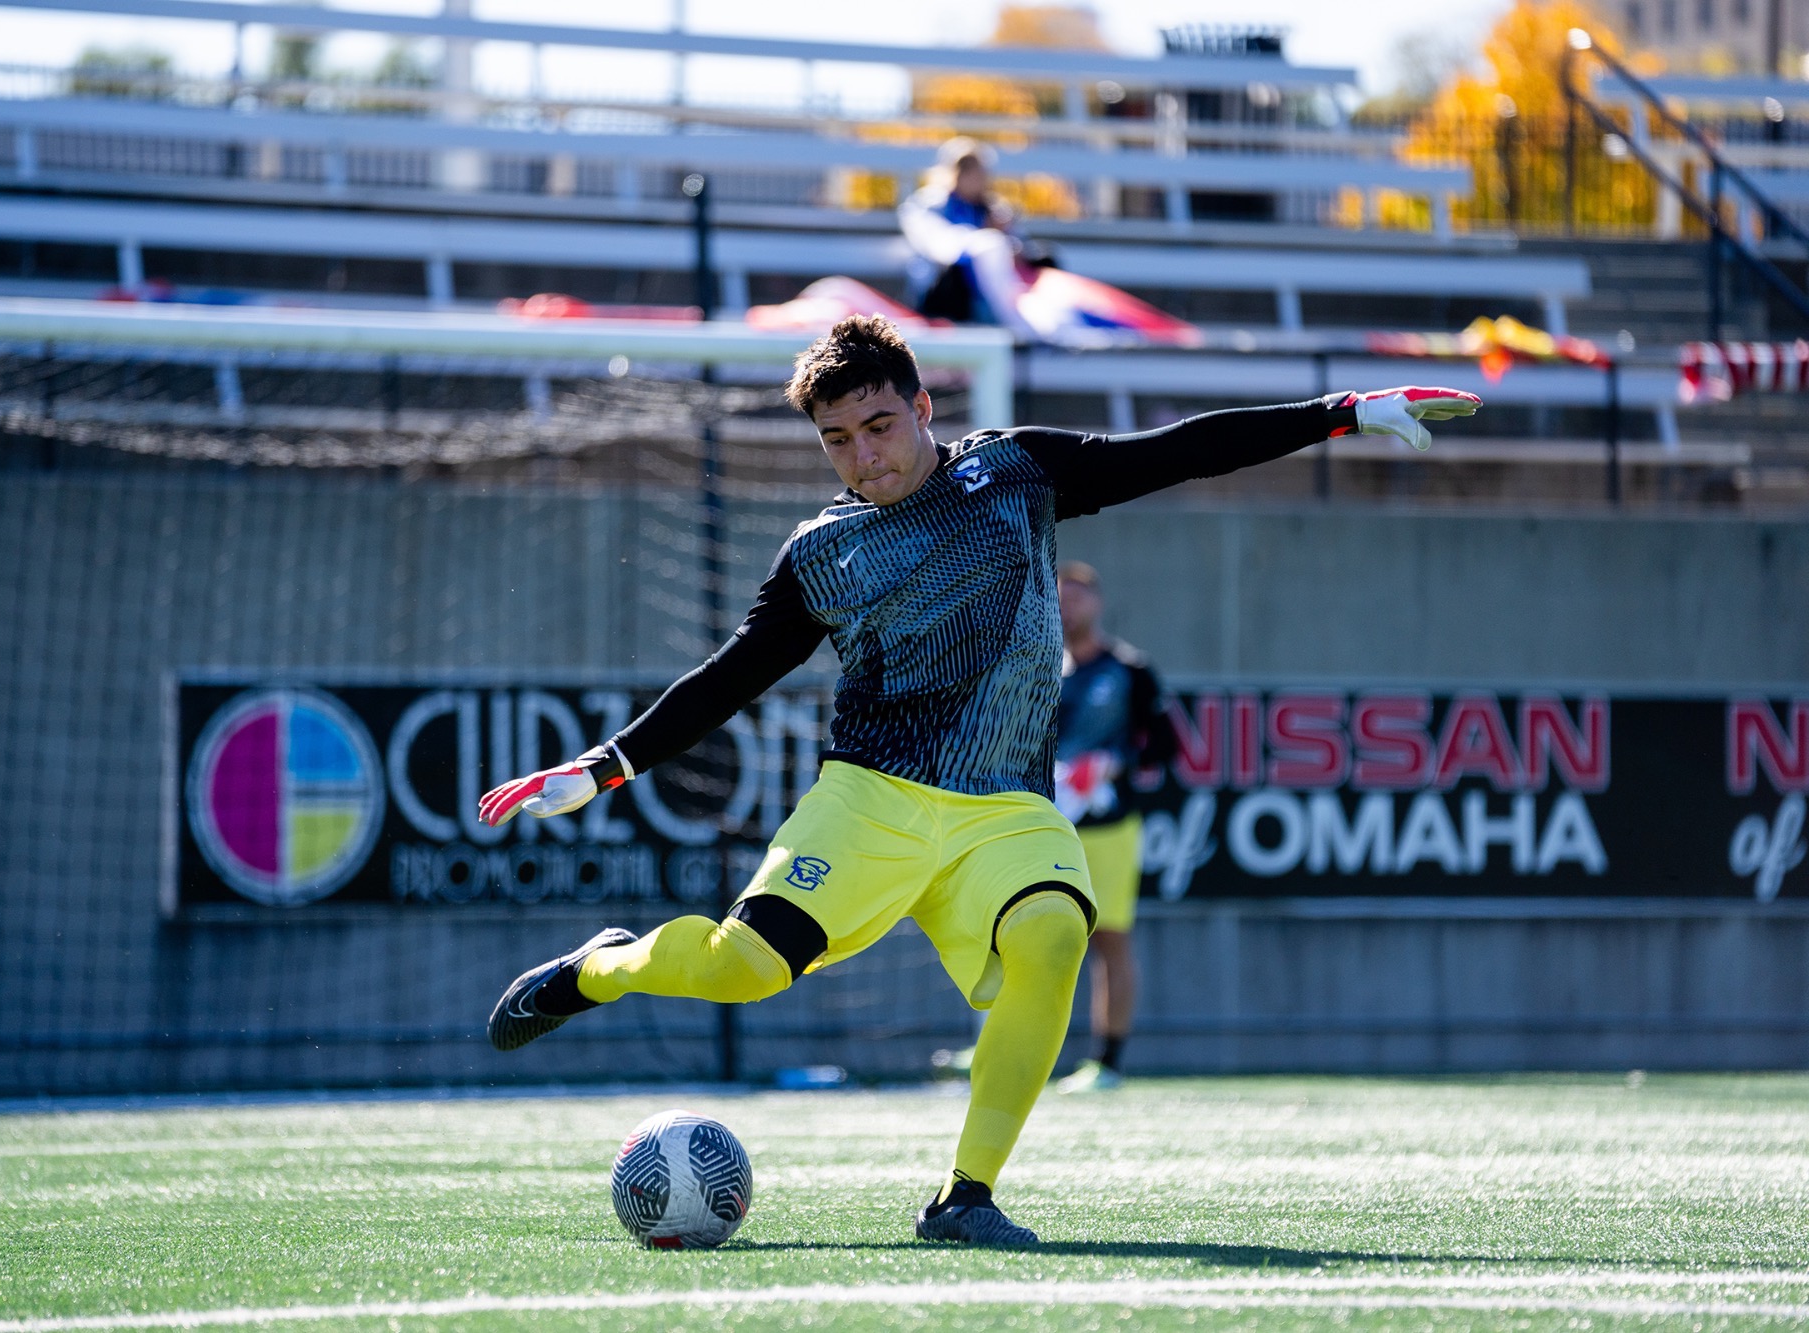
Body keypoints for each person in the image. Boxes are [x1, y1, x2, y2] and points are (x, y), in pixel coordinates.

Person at [477, 315, 1480, 1247]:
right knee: (739, 972)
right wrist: (601, 766)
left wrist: (1338, 413)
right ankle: (599, 967)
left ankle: (965, 1194)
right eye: (837, 439)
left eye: (878, 424)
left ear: (922, 407)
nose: (863, 455)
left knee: (1055, 933)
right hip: (868, 799)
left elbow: (1174, 451)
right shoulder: (820, 553)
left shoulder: (1015, 472)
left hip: (1004, 806)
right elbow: (732, 674)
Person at [1050, 561, 1177, 1094]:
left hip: (1108, 826)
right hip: (1042, 825)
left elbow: (1167, 745)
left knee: (1110, 939)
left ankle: (1108, 1062)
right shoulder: (1036, 666)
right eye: (1060, 597)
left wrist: (1113, 766)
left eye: (1078, 597)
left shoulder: (1130, 669)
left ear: (1097, 604)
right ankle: (1006, 1048)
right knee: (1024, 935)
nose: (1068, 606)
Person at [898, 137, 1037, 339]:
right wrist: (985, 233)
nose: (978, 179)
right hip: (943, 293)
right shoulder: (930, 204)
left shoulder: (993, 208)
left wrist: (1006, 238)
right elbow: (940, 247)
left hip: (988, 300)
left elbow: (1021, 248)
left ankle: (1026, 330)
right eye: (969, 171)